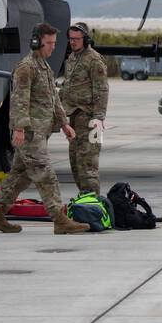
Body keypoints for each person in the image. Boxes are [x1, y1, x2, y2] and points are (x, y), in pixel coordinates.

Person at [0, 24, 89, 234]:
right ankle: (60, 220)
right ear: (36, 42)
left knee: (19, 177)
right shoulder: (26, 67)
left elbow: (53, 100)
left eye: (54, 43)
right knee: (46, 175)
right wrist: (19, 128)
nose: (53, 47)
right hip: (30, 133)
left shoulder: (44, 67)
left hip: (41, 131)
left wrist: (64, 124)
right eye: (49, 43)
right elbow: (19, 99)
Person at [59, 22, 109, 195]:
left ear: (86, 40)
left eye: (76, 39)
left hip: (89, 120)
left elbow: (102, 89)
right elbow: (68, 86)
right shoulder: (72, 58)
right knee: (75, 164)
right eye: (70, 39)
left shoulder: (94, 60)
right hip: (73, 119)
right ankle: (85, 201)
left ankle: (94, 206)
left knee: (88, 166)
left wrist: (99, 118)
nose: (73, 42)